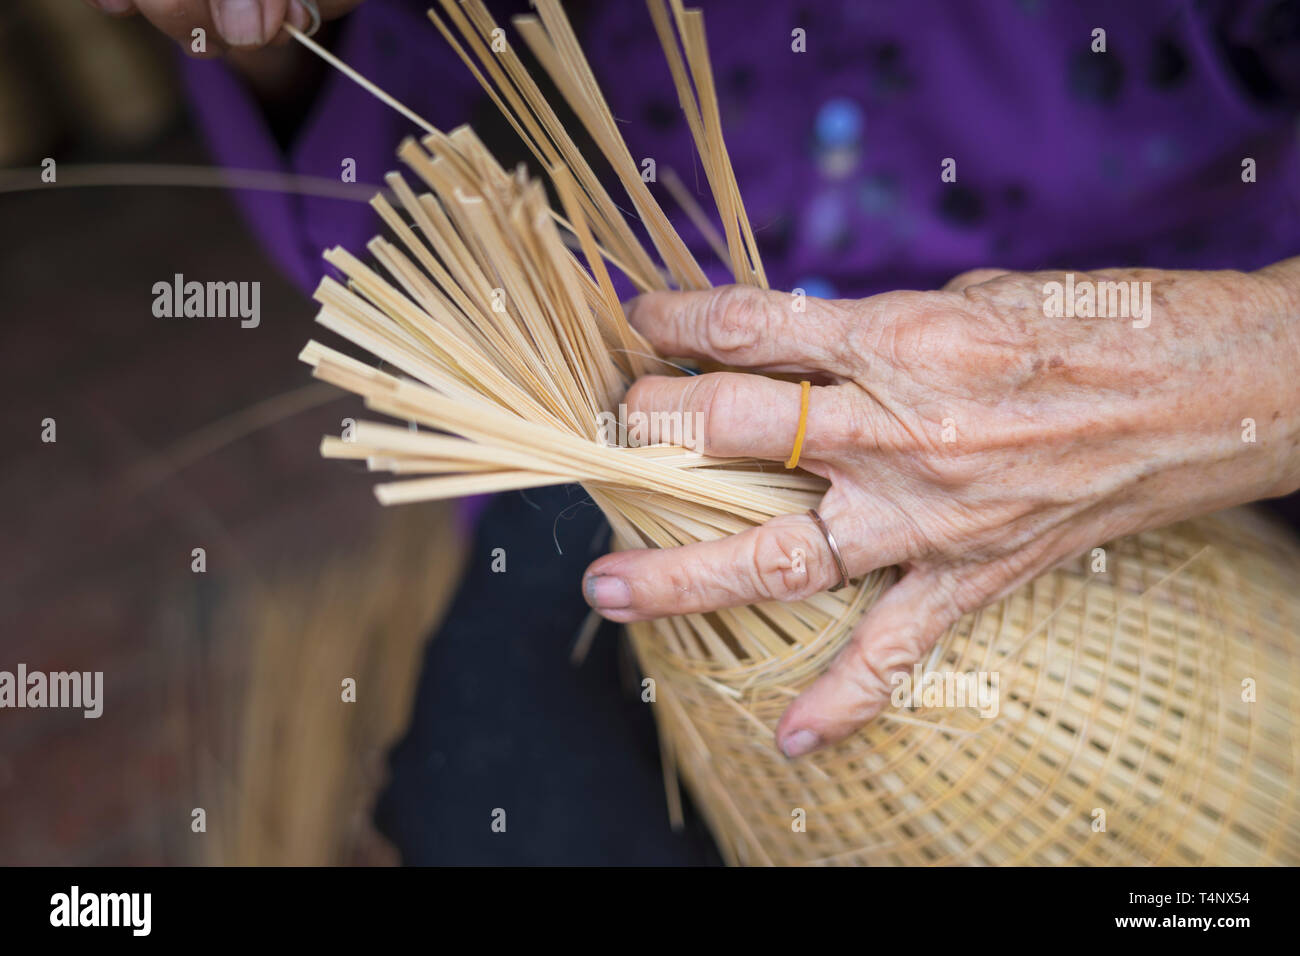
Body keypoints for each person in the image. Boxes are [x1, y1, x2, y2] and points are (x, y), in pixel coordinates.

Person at [86, 0, 1300, 862]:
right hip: (642, 425)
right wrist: (276, 34)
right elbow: (422, 142)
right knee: (488, 809)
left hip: (1189, 368)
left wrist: (1203, 383)